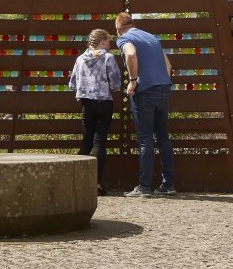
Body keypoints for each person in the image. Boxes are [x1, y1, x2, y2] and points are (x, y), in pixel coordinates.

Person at [114, 10, 176, 196]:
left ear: (118, 29)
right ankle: (168, 185)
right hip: (163, 89)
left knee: (145, 140)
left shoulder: (124, 39)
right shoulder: (151, 38)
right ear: (132, 23)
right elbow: (169, 65)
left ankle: (144, 186)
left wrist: (133, 81)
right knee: (163, 138)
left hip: (145, 91)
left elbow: (131, 54)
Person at [67, 28, 121, 195]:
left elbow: (72, 84)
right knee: (99, 143)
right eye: (108, 41)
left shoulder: (80, 59)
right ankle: (96, 184)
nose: (110, 44)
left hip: (86, 104)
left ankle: (73, 180)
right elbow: (116, 84)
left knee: (86, 142)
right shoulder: (108, 58)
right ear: (102, 42)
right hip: (104, 102)